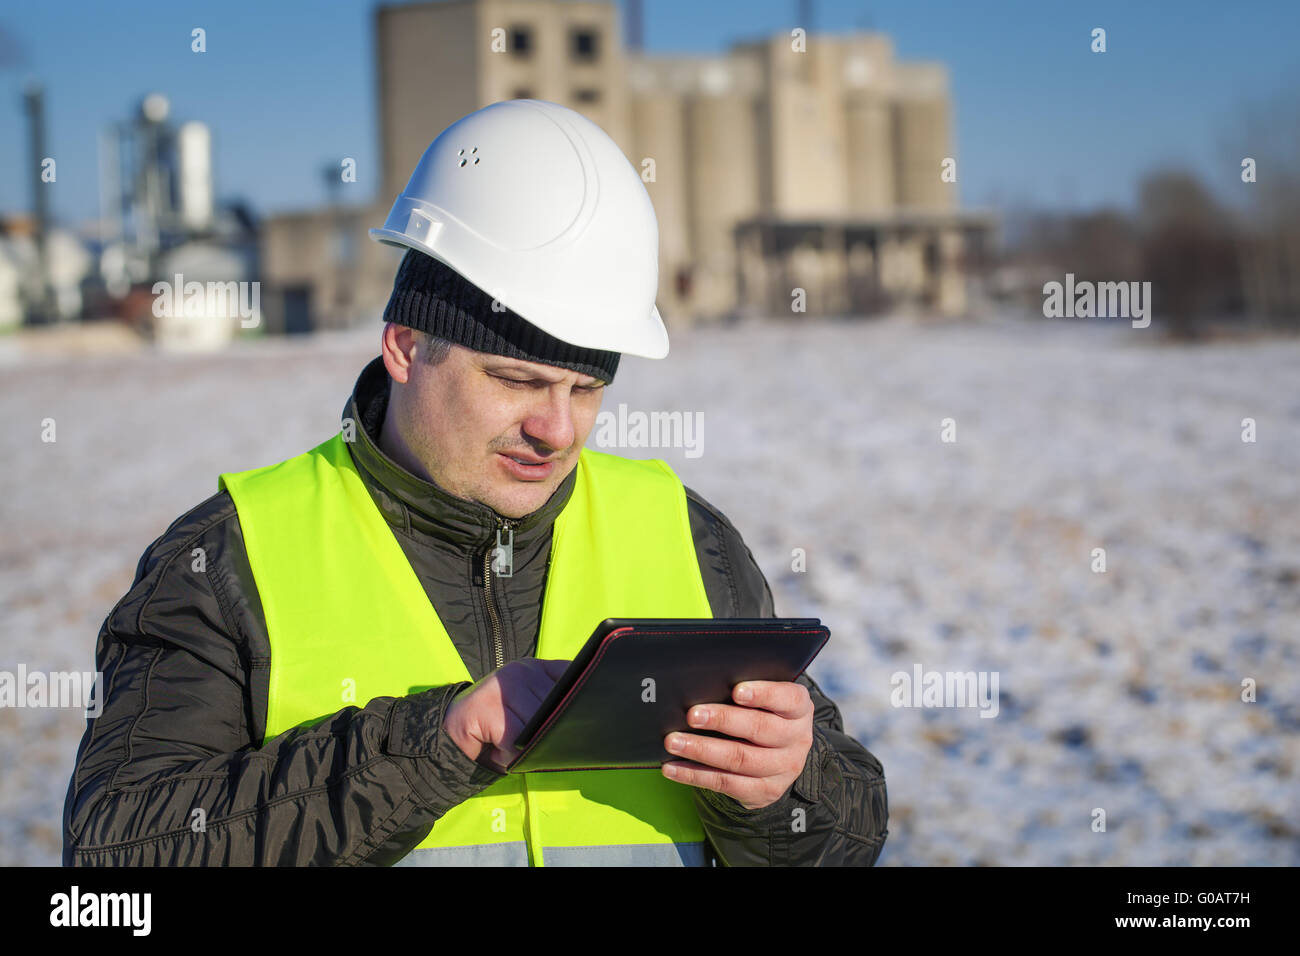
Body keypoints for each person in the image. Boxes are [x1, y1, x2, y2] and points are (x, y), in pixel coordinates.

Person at [63, 99, 887, 866]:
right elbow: (115, 855)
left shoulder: (683, 534)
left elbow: (848, 837)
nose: (556, 430)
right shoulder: (228, 558)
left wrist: (787, 789)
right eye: (516, 381)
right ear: (406, 347)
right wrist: (433, 745)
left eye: (586, 389)